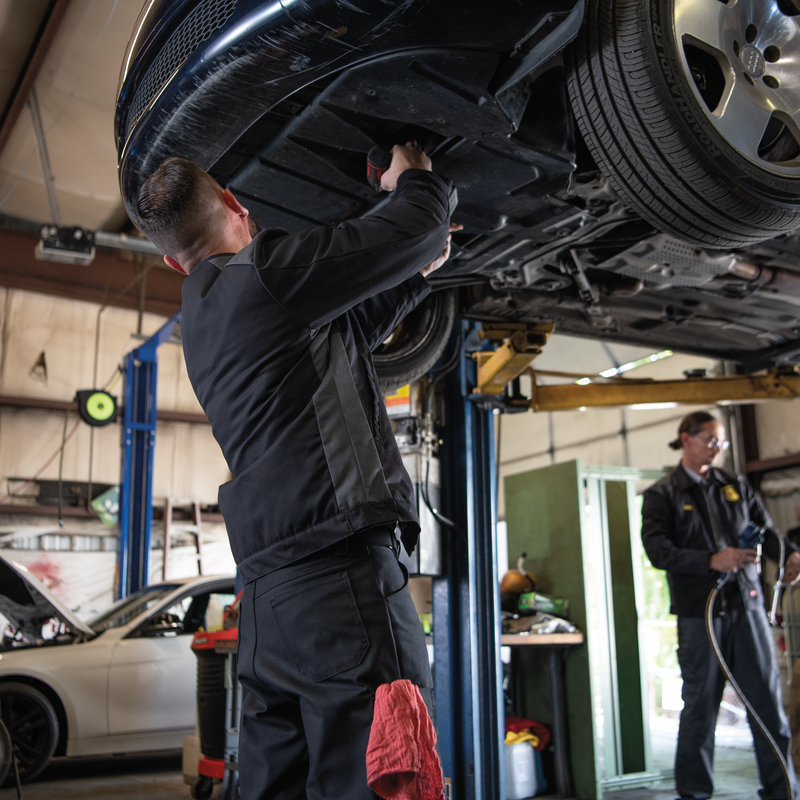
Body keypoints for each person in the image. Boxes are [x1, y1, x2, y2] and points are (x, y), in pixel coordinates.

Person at [134, 145, 458, 799]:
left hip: (273, 607)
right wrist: (412, 181)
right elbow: (418, 220)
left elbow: (340, 333)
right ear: (236, 206)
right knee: (385, 779)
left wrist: (413, 271)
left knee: (272, 786)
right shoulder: (265, 273)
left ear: (174, 261)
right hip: (342, 587)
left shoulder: (204, 319)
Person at [641, 411, 800, 800]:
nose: (718, 447)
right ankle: (695, 794)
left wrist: (790, 554)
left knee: (767, 707)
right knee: (699, 710)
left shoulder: (735, 484)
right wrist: (711, 560)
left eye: (722, 441)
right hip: (701, 616)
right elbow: (658, 551)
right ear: (687, 439)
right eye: (711, 440)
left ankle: (783, 792)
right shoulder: (663, 494)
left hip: (746, 607)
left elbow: (766, 531)